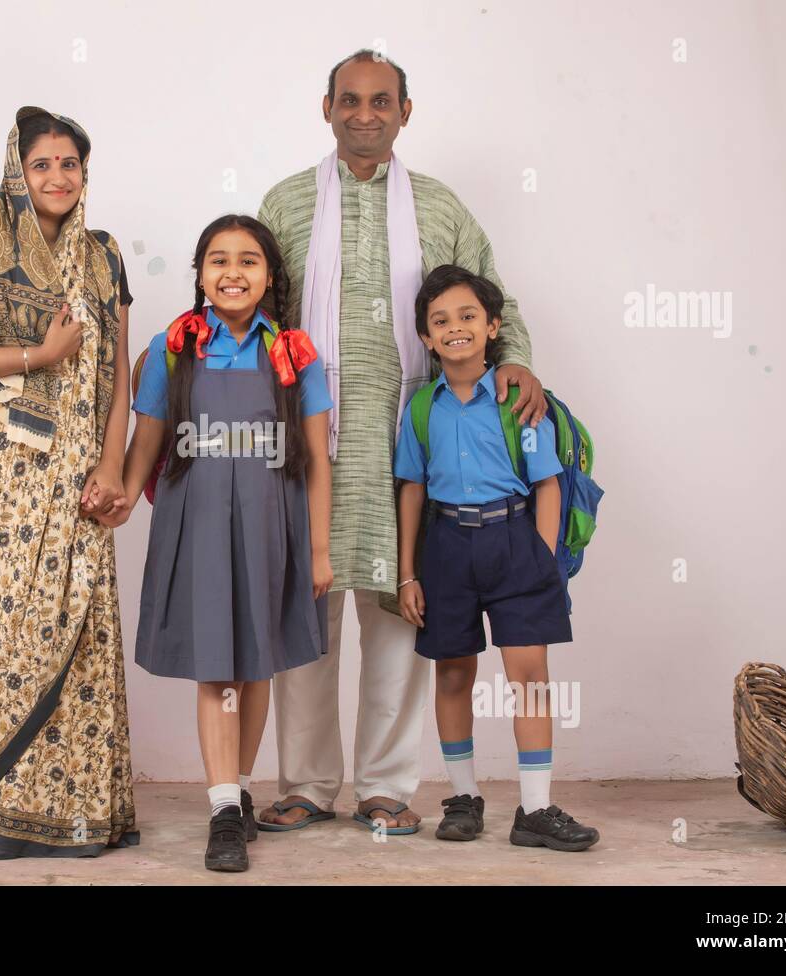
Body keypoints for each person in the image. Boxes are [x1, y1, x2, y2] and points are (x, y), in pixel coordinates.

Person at [256, 50, 548, 833]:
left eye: (381, 101)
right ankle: (307, 785)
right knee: (304, 617)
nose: (365, 113)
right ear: (326, 108)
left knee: (398, 612)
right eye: (349, 100)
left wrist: (514, 356)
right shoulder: (286, 203)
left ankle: (385, 785)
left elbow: (492, 296)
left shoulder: (441, 208)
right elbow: (250, 305)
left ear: (405, 112)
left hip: (408, 445)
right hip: (305, 445)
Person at [0, 106, 139, 858]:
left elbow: (118, 374)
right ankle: (2, 814)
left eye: (69, 164)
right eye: (40, 165)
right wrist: (37, 355)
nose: (56, 177)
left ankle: (76, 816)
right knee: (3, 635)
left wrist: (113, 464)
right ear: (18, 173)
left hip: (79, 470)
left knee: (77, 637)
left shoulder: (103, 256)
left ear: (85, 173)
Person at [112, 214, 334, 871]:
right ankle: (223, 814)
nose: (232, 273)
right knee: (217, 664)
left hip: (272, 523)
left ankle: (234, 787)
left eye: (247, 261)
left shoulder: (295, 353)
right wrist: (117, 500)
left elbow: (318, 459)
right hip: (199, 520)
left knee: (255, 664)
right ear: (200, 274)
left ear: (269, 276)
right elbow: (146, 441)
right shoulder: (174, 348)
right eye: (217, 260)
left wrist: (319, 550)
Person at [394, 264, 598, 852]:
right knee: (453, 672)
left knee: (529, 677)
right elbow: (410, 487)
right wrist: (409, 571)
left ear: (492, 327)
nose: (455, 328)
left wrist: (541, 555)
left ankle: (535, 809)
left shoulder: (516, 400)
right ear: (427, 339)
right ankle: (462, 797)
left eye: (467, 317)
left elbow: (550, 482)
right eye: (440, 321)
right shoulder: (422, 410)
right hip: (446, 547)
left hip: (516, 541)